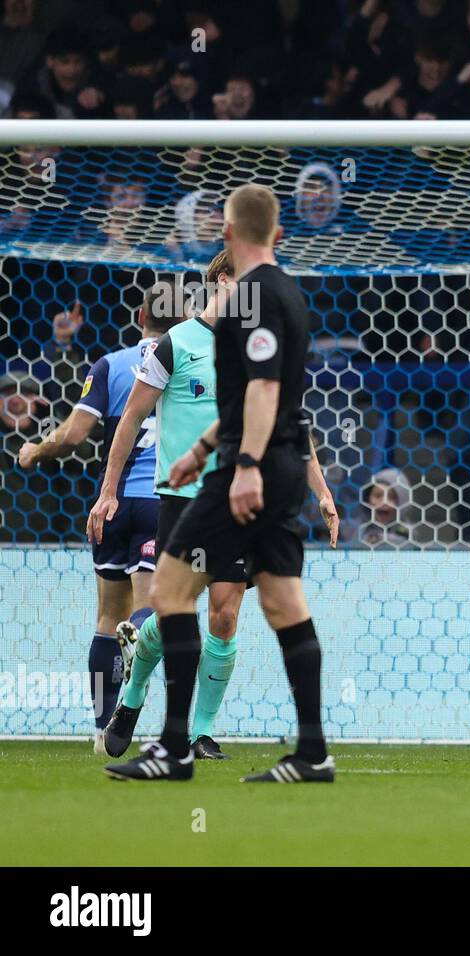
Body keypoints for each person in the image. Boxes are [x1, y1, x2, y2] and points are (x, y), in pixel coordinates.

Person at [103, 184, 332, 783]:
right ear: (279, 235)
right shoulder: (285, 298)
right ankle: (311, 753)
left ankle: (176, 747)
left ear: (229, 235)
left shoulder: (257, 298)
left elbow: (262, 391)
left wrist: (243, 464)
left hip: (246, 472)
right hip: (257, 468)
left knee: (176, 595)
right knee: (282, 602)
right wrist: (203, 449)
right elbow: (261, 397)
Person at [16, 285, 177, 753]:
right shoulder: (189, 362)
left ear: (141, 315)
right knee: (150, 613)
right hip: (161, 501)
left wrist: (35, 451)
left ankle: (103, 727)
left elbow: (74, 436)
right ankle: (135, 702)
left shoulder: (112, 364)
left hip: (112, 502)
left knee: (107, 616)